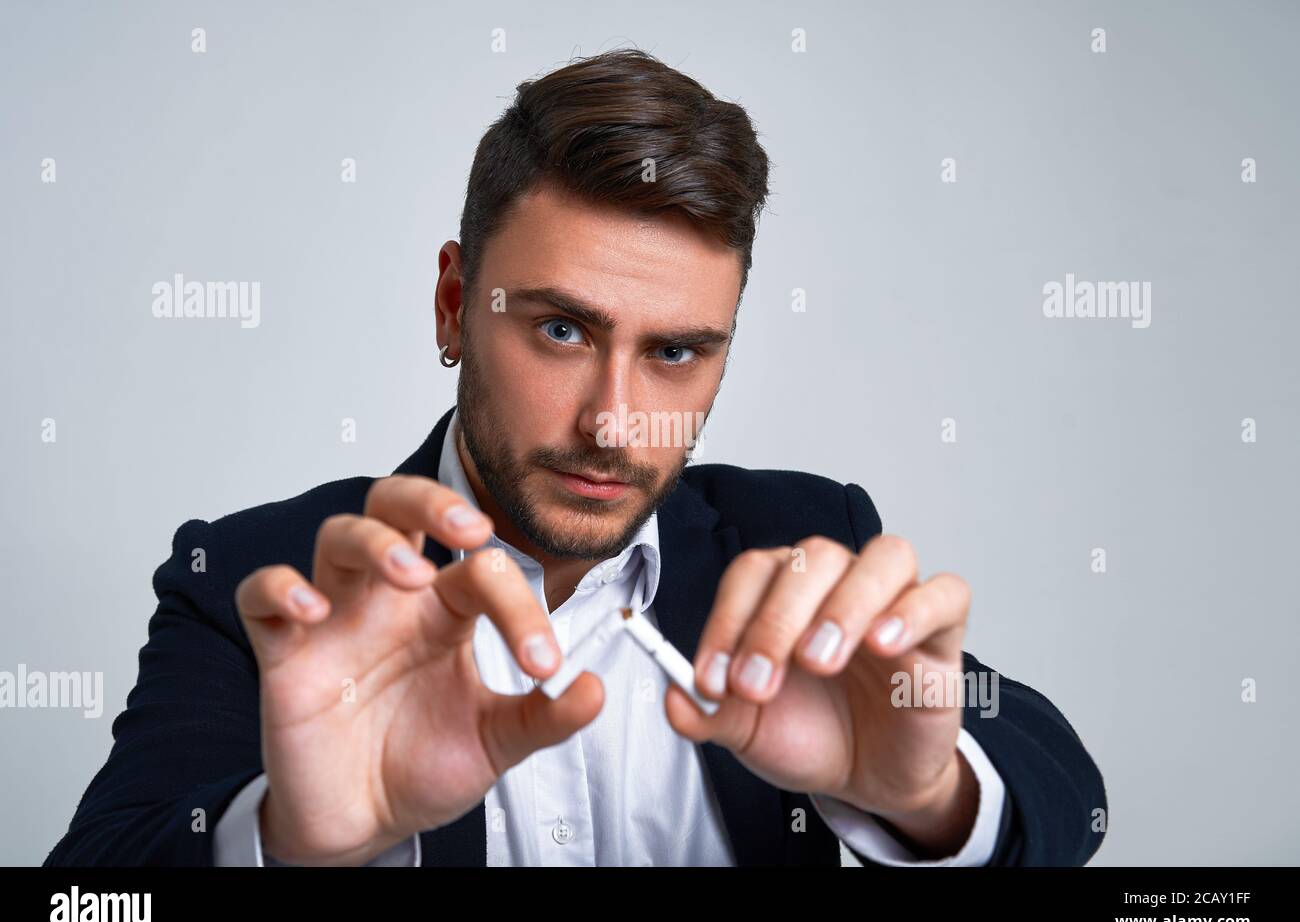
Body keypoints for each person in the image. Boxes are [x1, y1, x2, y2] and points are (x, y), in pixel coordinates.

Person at [46, 48, 1106, 867]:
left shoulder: (802, 537)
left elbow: (1065, 784)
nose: (615, 421)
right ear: (455, 303)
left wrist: (928, 796)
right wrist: (288, 838)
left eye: (676, 351)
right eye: (561, 330)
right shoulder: (267, 579)